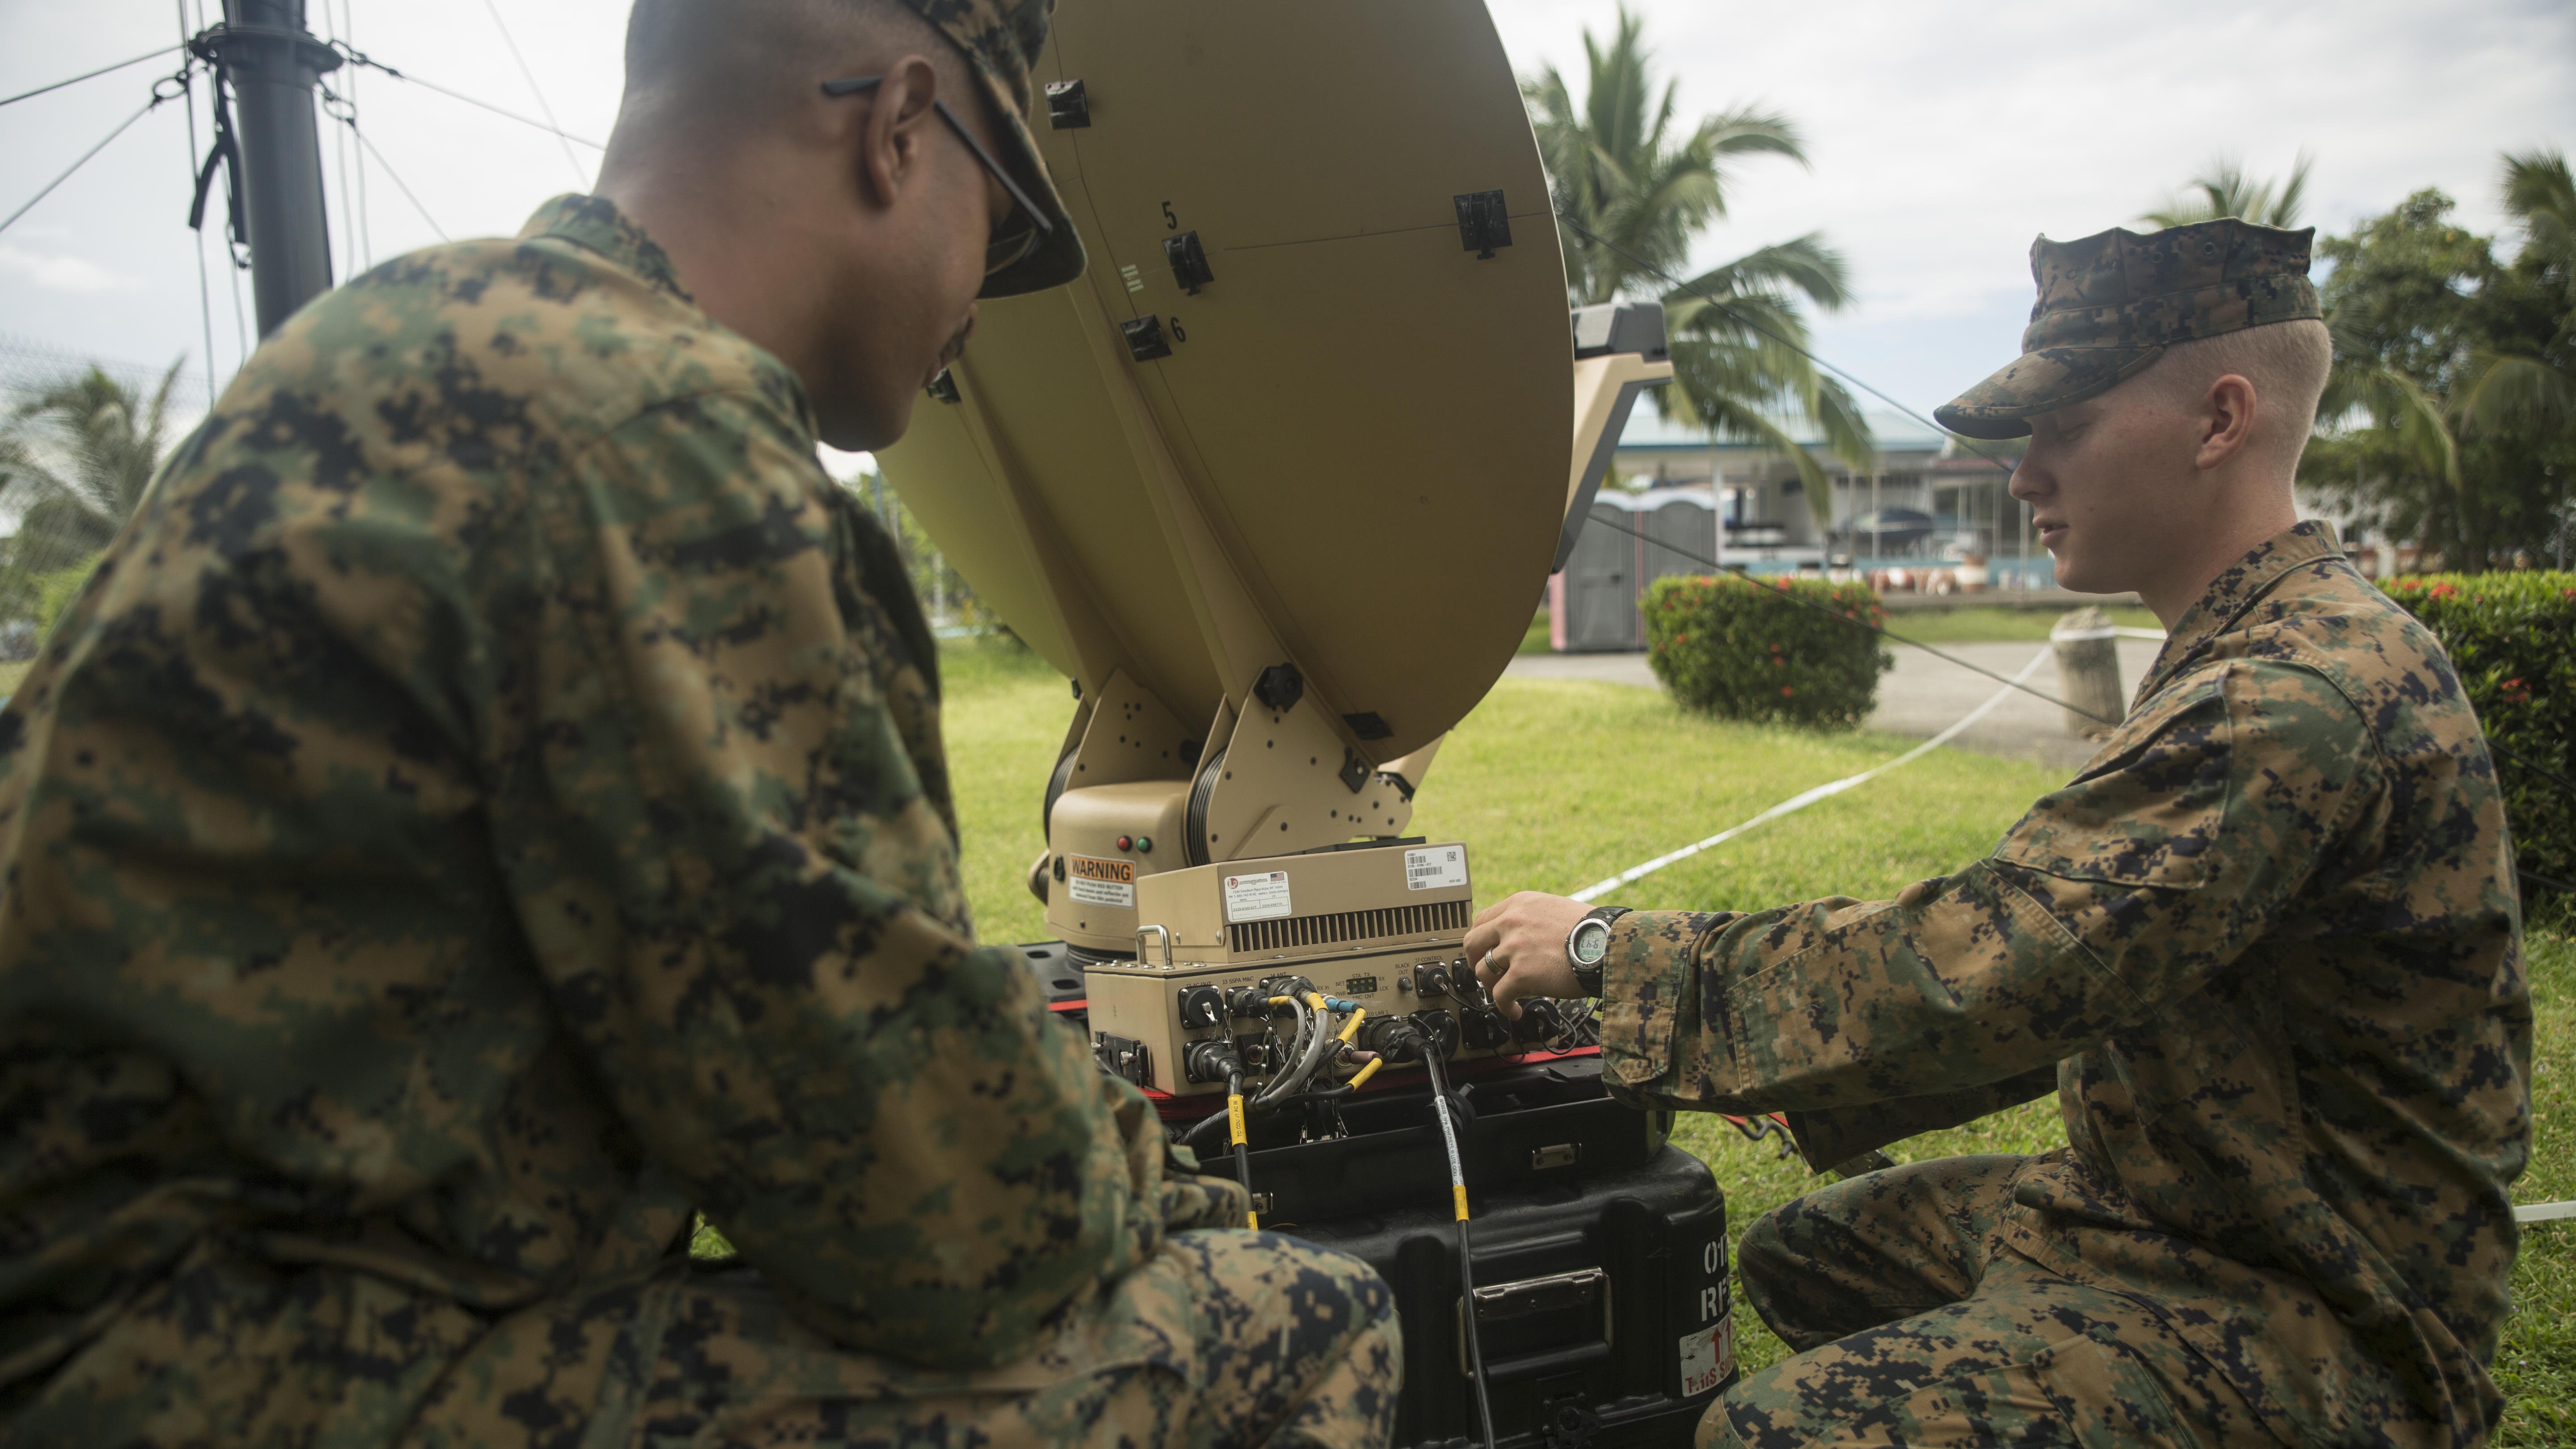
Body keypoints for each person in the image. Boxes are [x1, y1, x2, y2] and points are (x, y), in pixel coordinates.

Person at [0, 1, 1399, 1444]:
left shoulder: (399, 340)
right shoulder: (658, 441)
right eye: (999, 221)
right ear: (900, 126)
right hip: (214, 1378)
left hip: (132, 1331)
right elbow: (949, 1217)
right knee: (1294, 1325)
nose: (986, 299)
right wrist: (1183, 1213)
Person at [1471, 218, 2529, 1449]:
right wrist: (1781, 1068)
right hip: (2188, 1207)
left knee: (1767, 1435)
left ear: (2221, 420)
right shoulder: (2269, 644)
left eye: (2065, 428)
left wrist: (1613, 957)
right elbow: (2069, 968)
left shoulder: (2282, 701)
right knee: (1808, 1257)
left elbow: (1981, 973)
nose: (2026, 474)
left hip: (2319, 1301)